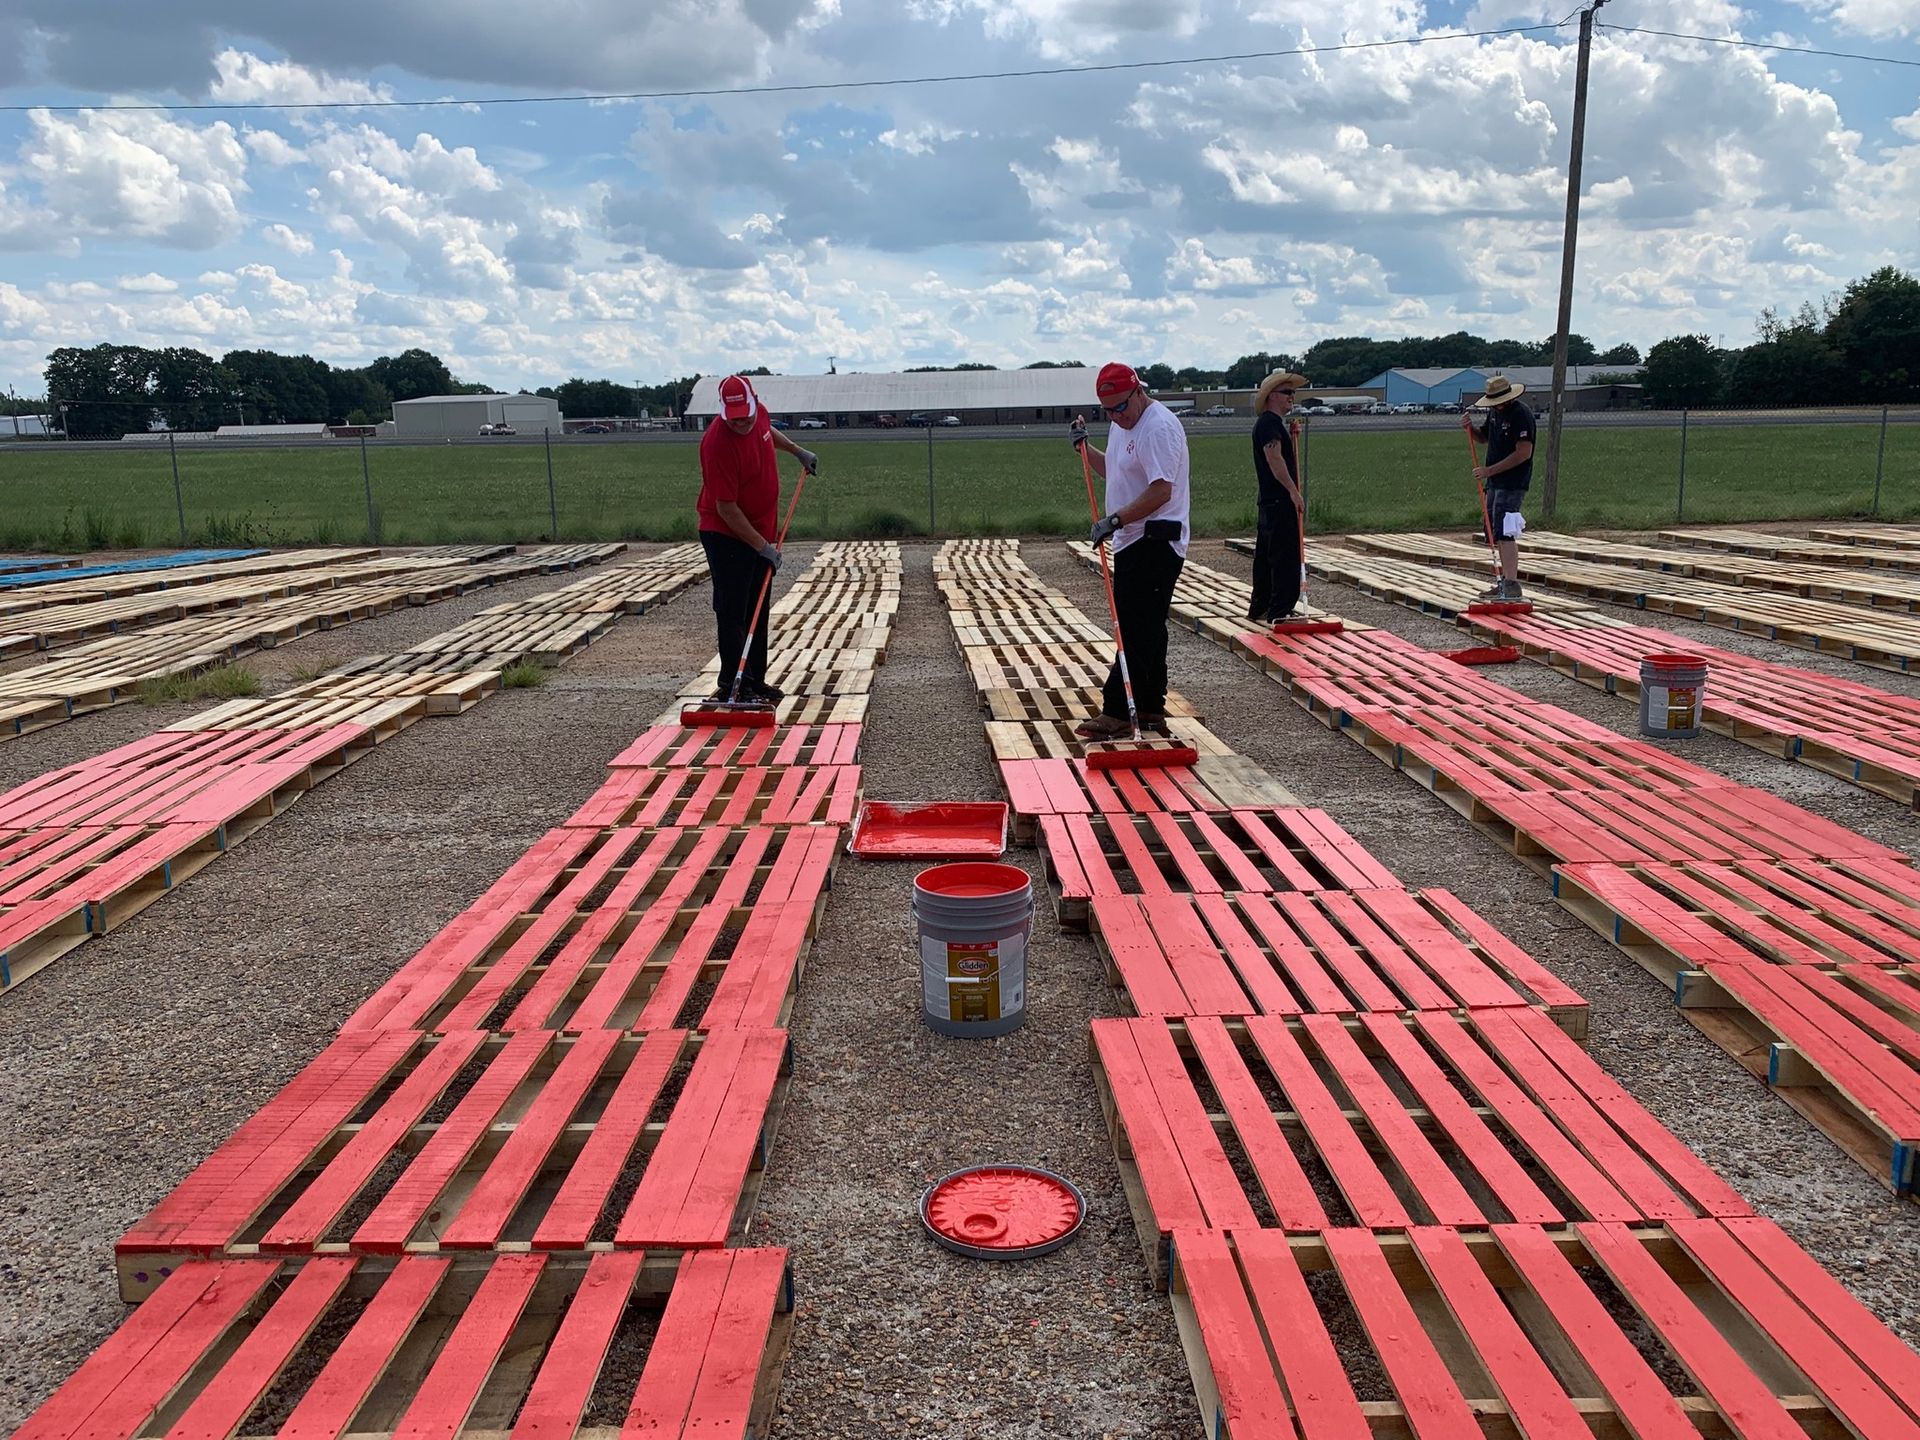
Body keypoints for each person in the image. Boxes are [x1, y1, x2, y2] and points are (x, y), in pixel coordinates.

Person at [1070, 362, 1192, 739]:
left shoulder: (1158, 427)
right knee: (1148, 625)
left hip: (1155, 539)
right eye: (1107, 410)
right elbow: (1116, 470)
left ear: (1138, 392)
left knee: (1135, 627)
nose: (1116, 416)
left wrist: (1115, 519)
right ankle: (1152, 705)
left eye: (1121, 407)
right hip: (1131, 538)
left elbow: (1161, 490)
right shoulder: (1121, 424)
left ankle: (1119, 710)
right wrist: (1084, 448)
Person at [697, 374, 818, 702]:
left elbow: (766, 431)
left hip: (760, 531)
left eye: (746, 417)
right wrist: (762, 547)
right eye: (734, 420)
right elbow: (726, 509)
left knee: (758, 607)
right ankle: (733, 685)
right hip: (726, 534)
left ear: (754, 403)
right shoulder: (716, 445)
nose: (742, 424)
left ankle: (755, 681)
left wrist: (796, 451)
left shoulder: (759, 414)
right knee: (733, 611)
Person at [1465, 374, 1534, 601]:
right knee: (1495, 531)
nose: (1496, 406)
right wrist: (1470, 429)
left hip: (1512, 482)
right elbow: (1484, 437)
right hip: (1495, 482)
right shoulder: (1495, 413)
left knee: (1506, 532)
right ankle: (1504, 582)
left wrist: (1489, 471)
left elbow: (1523, 453)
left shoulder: (1521, 415)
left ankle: (1512, 583)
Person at [1247, 370, 1308, 623]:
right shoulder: (1269, 424)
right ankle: (1280, 610)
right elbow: (1275, 459)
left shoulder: (1271, 424)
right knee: (1285, 557)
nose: (1291, 397)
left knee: (1266, 555)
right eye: (1286, 392)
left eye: (1292, 392)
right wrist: (1293, 491)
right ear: (1272, 396)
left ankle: (1261, 606)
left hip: (1269, 500)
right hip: (1279, 500)